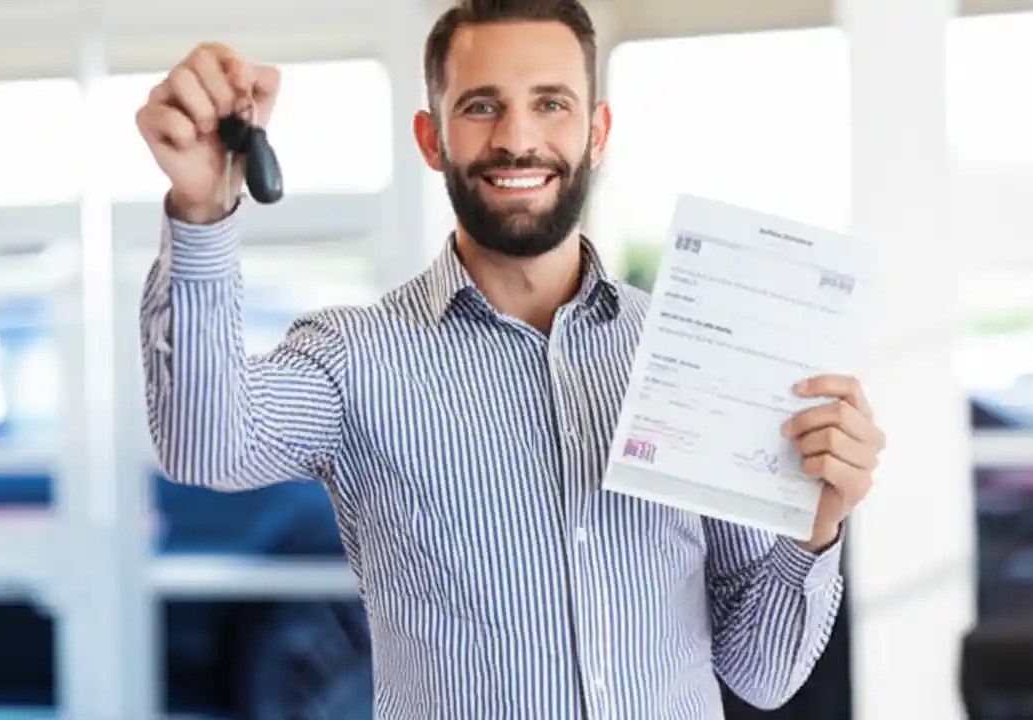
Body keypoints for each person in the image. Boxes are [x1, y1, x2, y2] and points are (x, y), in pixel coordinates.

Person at [133, 0, 887, 717]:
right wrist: (202, 210)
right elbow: (208, 443)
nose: (516, 138)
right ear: (433, 139)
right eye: (481, 105)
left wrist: (814, 524)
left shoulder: (686, 351)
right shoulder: (357, 357)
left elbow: (763, 673)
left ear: (597, 132)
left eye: (551, 103)